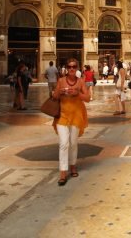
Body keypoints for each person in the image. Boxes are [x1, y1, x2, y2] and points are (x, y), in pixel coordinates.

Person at [52, 58, 89, 186]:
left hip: (76, 116)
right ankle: (63, 171)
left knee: (73, 143)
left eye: (74, 67)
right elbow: (55, 96)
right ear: (66, 68)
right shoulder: (61, 81)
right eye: (69, 67)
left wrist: (77, 93)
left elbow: (88, 98)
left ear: (77, 68)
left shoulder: (80, 82)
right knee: (63, 143)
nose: (71, 69)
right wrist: (60, 91)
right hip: (62, 116)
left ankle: (73, 165)